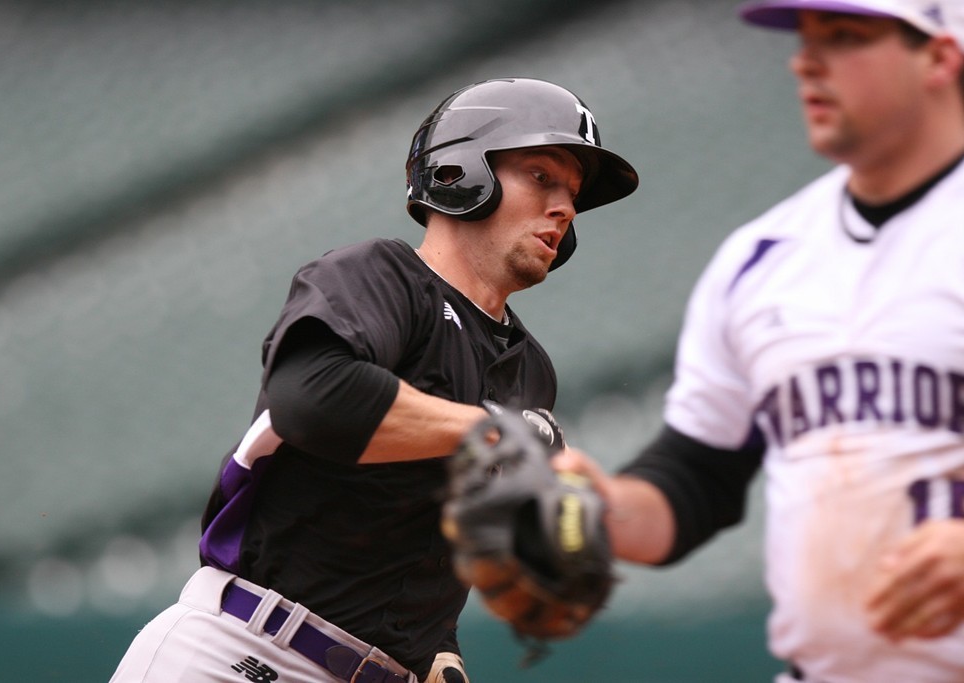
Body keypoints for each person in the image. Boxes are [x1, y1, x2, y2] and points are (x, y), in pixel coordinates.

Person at [108, 77, 639, 683]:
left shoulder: (530, 371)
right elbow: (312, 400)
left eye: (572, 193)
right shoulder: (378, 276)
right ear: (460, 172)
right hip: (244, 652)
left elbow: (435, 540)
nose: (565, 207)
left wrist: (440, 647)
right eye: (542, 176)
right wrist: (496, 431)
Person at [552, 1, 964, 681]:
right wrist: (598, 511)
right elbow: (696, 478)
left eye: (845, 36)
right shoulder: (763, 257)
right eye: (805, 39)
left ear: (941, 56)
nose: (805, 60)